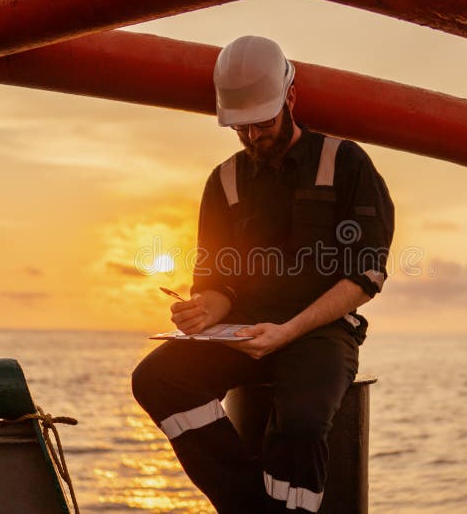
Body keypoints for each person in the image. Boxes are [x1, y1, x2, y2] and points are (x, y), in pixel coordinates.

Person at [132, 36, 394, 513]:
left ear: (290, 98)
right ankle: (249, 507)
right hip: (241, 332)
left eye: (264, 123)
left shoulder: (347, 164)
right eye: (241, 128)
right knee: (156, 379)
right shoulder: (224, 180)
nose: (254, 137)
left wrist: (288, 331)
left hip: (319, 332)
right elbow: (215, 279)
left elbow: (365, 276)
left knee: (301, 424)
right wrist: (202, 310)